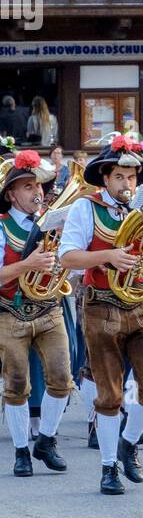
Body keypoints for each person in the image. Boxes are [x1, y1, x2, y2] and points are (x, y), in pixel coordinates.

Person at [59, 134, 143, 495]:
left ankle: (129, 441)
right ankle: (108, 467)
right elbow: (68, 258)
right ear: (105, 178)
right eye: (120, 177)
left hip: (141, 306)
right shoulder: (84, 208)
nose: (128, 184)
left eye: (133, 177)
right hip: (102, 306)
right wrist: (107, 256)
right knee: (109, 396)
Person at [0, 150, 74, 476]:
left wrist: (62, 265)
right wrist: (28, 265)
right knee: (16, 384)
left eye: (39, 186)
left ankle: (45, 440)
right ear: (12, 195)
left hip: (48, 309)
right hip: (10, 312)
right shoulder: (2, 228)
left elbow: (65, 264)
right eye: (28, 187)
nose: (37, 192)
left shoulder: (52, 222)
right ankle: (20, 451)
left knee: (62, 380)